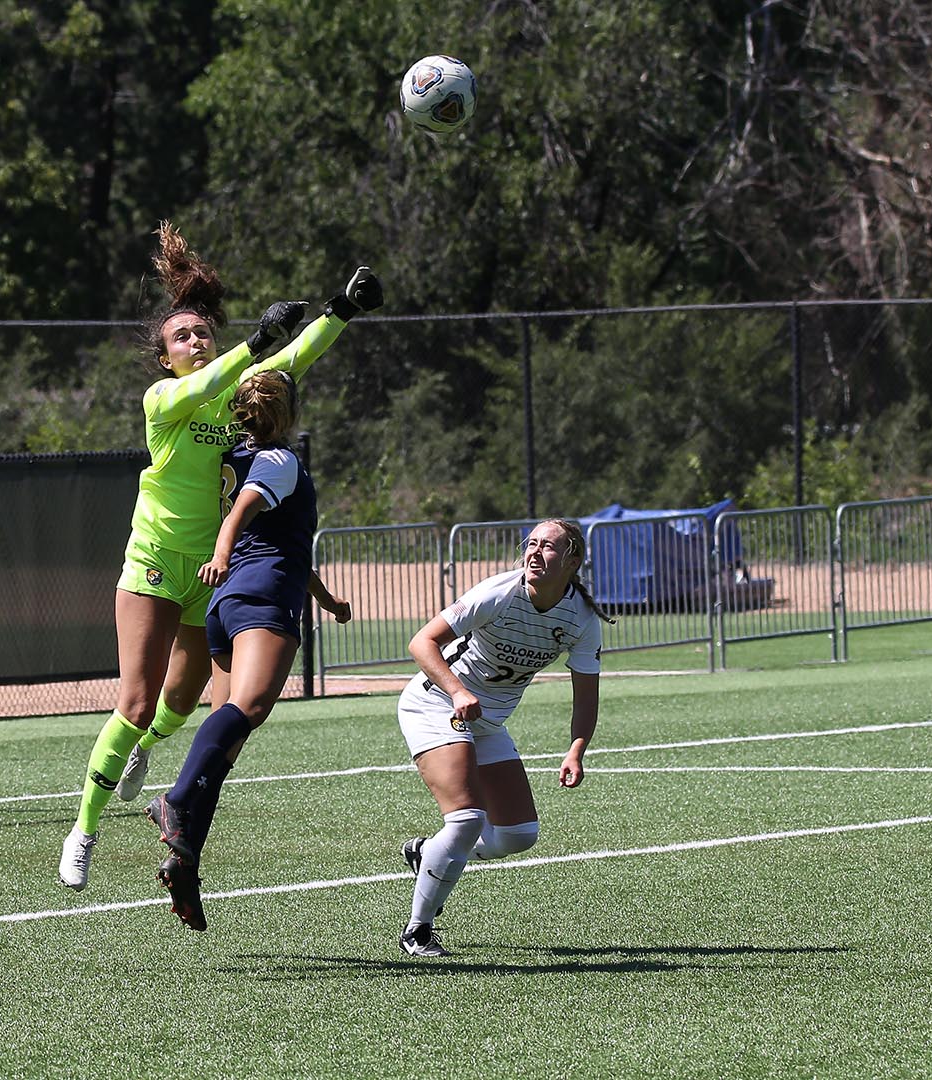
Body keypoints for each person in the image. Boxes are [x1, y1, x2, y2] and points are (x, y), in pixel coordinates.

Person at [57, 223, 381, 890]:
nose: (196, 341)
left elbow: (294, 360)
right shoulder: (162, 400)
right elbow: (217, 378)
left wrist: (342, 309)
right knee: (137, 700)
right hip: (155, 560)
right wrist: (255, 342)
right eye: (182, 337)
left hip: (213, 569)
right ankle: (84, 829)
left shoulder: (235, 397)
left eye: (203, 333)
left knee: (183, 701)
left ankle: (147, 753)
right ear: (164, 358)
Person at [143, 370, 352, 930]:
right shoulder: (279, 460)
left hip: (229, 602)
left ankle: (186, 863)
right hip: (261, 593)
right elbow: (242, 516)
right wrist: (220, 555)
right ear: (291, 412)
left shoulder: (234, 458)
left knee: (224, 748)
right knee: (251, 707)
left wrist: (326, 599)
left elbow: (280, 537)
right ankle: (174, 801)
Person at [394, 518, 608, 957]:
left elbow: (586, 695)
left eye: (548, 546)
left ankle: (430, 853)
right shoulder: (500, 592)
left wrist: (576, 750)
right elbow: (421, 643)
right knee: (467, 819)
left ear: (572, 561)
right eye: (531, 543)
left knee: (518, 834)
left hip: (487, 721)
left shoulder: (582, 619)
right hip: (435, 704)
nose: (535, 552)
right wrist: (458, 691)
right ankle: (418, 931)